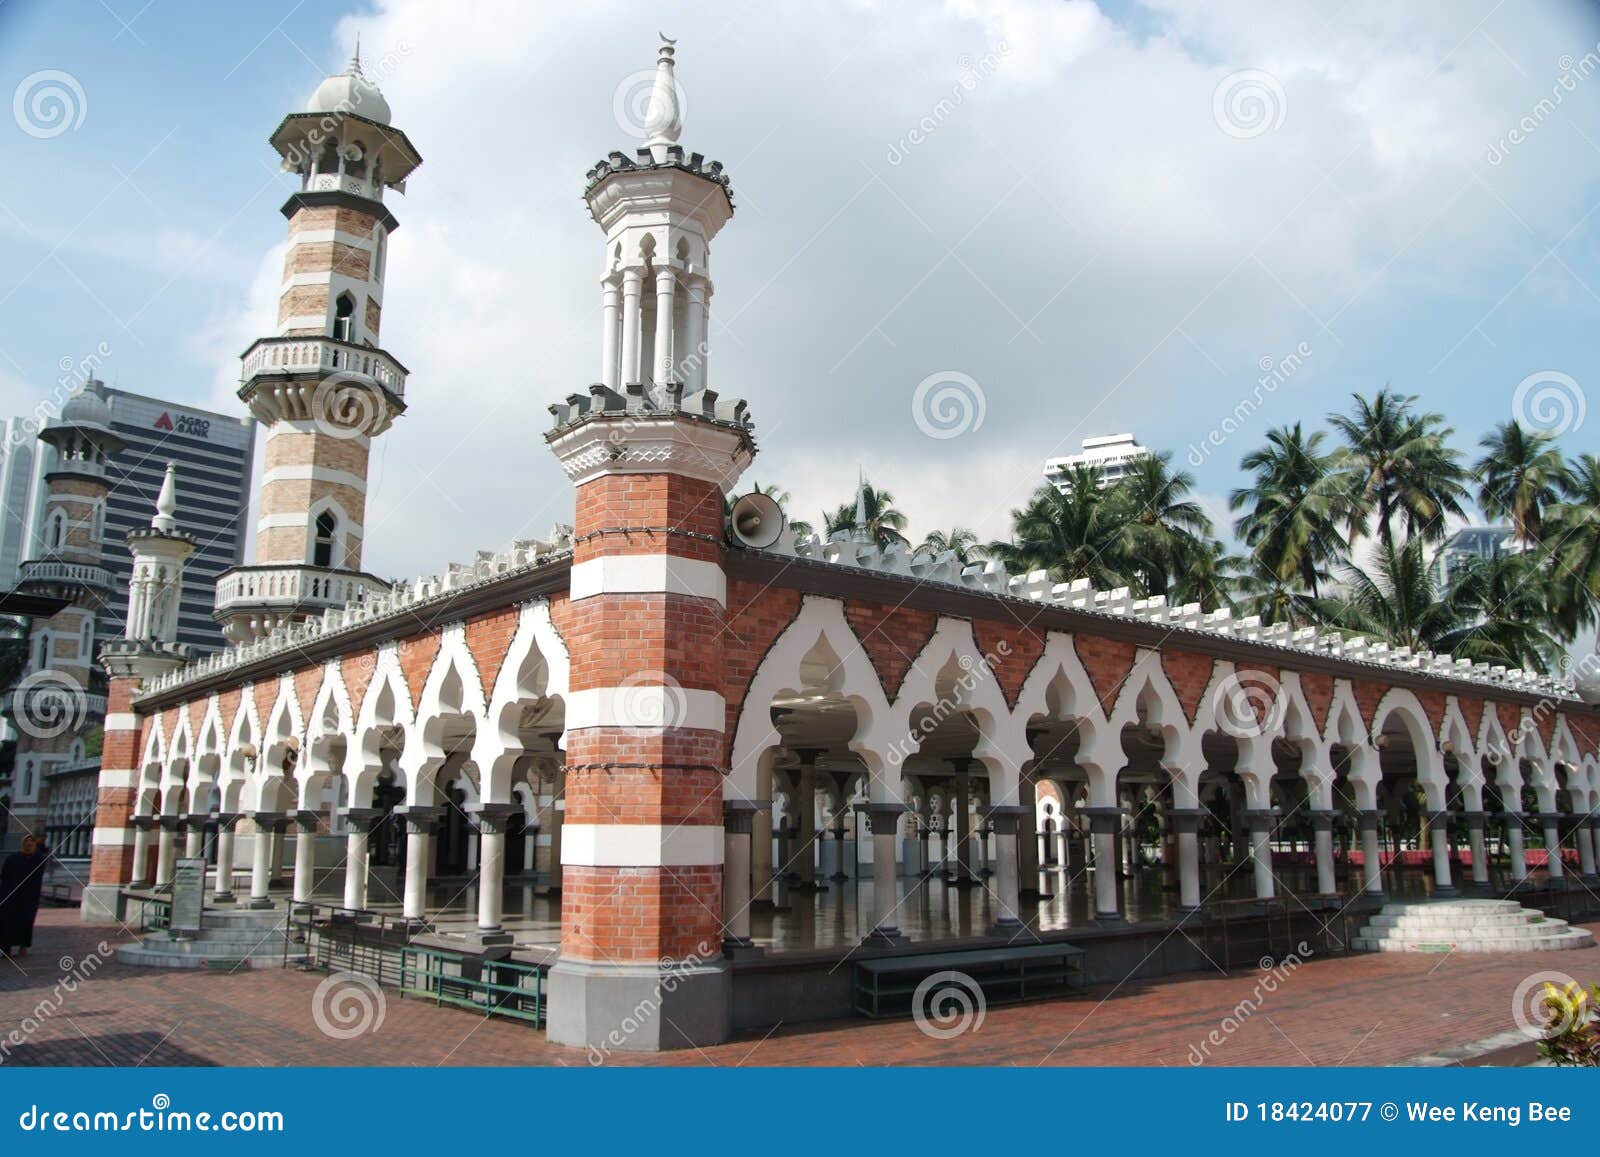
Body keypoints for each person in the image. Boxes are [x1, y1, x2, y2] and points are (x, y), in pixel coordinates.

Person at [0, 836, 50, 958]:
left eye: (32, 841)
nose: (29, 844)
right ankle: (7, 948)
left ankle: (23, 947)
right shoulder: (13, 859)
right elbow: (5, 876)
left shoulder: (39, 860)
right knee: (8, 921)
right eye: (27, 841)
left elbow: (37, 878)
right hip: (12, 895)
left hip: (29, 896)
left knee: (27, 921)